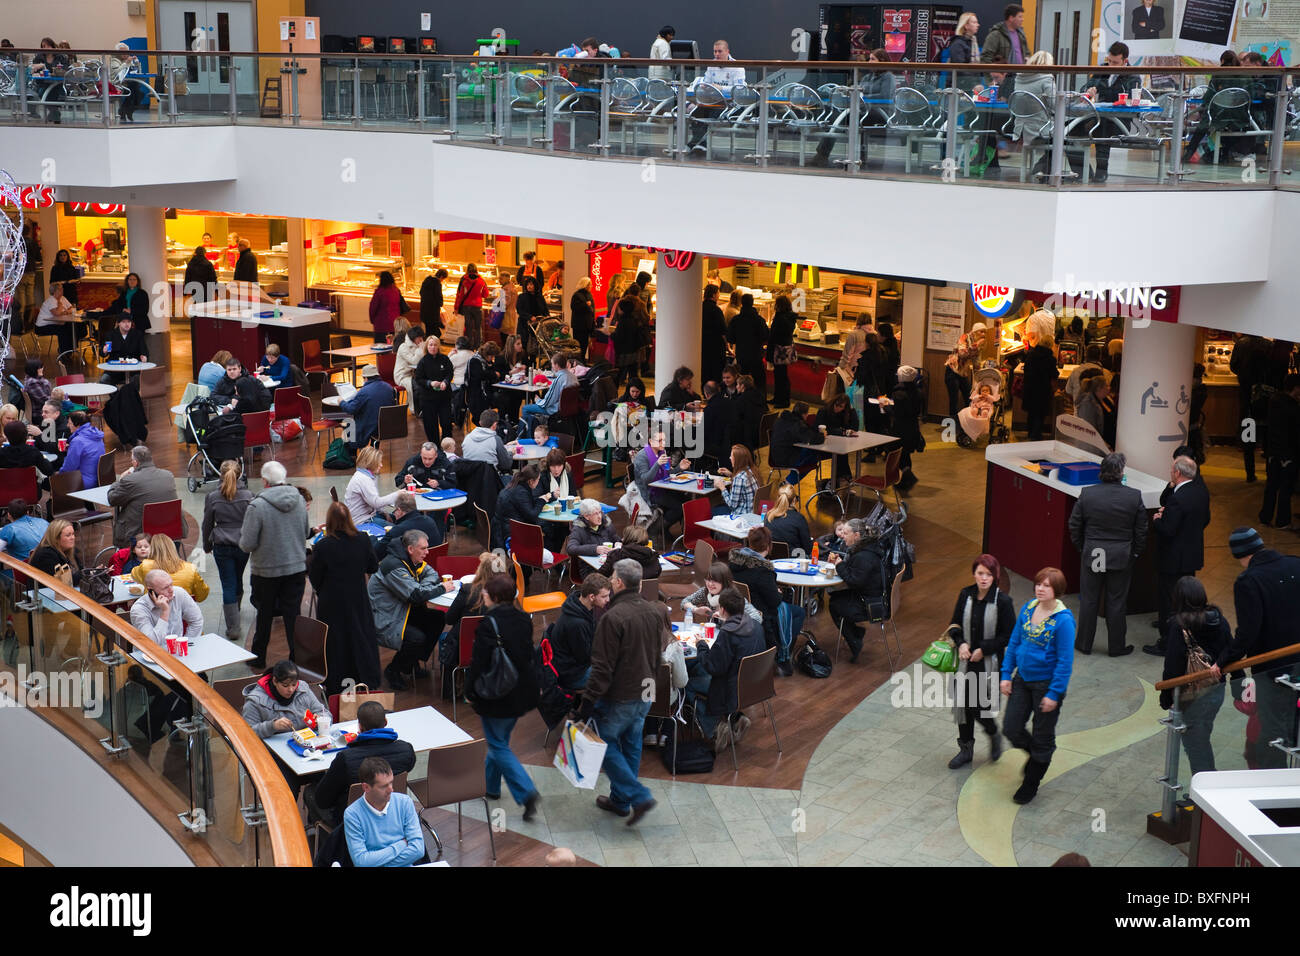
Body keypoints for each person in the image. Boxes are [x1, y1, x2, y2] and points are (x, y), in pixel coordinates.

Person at [576, 558, 669, 825]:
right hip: (647, 690)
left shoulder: (613, 617)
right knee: (631, 743)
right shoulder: (653, 611)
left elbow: (602, 668)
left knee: (603, 742)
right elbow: (657, 654)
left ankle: (638, 796)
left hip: (623, 694)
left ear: (618, 582)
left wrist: (588, 702)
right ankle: (620, 800)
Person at [1212, 528, 1300, 769]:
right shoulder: (1295, 564)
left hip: (1273, 670)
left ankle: (1277, 793)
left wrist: (1223, 660)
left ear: (1239, 555)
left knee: (1274, 732)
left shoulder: (1248, 580)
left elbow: (1248, 632)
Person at [466, 573, 541, 817]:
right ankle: (491, 787)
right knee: (500, 741)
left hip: (497, 694)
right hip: (521, 692)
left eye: (486, 594)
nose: (483, 596)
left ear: (495, 597)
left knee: (497, 744)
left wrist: (470, 692)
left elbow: (478, 663)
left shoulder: (489, 623)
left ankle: (526, 791)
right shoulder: (523, 619)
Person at [1000, 567, 1076, 804]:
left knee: (1043, 735)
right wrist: (1005, 674)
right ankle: (1039, 757)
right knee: (1011, 728)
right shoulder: (1028, 608)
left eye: (1047, 585)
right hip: (1022, 680)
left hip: (1047, 685)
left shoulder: (1063, 621)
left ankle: (1031, 783)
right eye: (1038, 584)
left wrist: (1054, 693)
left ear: (1057, 591)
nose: (1040, 589)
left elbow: (1065, 662)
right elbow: (1014, 642)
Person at [1068, 452, 1147, 656]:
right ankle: (1116, 646)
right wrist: (1135, 552)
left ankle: (1084, 644)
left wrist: (1082, 547)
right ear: (1121, 472)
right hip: (1120, 556)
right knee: (1116, 602)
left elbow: (1074, 524)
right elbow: (1141, 529)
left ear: (1101, 471)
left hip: (1093, 553)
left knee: (1089, 600)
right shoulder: (1134, 496)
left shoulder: (1087, 494)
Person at [238, 460, 311, 669]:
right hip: (296, 568)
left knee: (264, 616)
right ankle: (297, 660)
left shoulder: (257, 505)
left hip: (265, 572)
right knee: (293, 616)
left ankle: (259, 657)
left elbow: (247, 544)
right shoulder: (298, 500)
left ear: (264, 481)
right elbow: (306, 532)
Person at [946, 555, 1016, 769]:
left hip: (989, 663)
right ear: (974, 574)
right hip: (965, 660)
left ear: (995, 576)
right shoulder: (965, 594)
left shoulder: (1003, 601)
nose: (984, 578)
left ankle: (993, 732)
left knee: (979, 707)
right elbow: (954, 624)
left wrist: (983, 649)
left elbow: (1009, 636)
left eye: (988, 574)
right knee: (964, 707)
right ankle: (965, 750)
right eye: (980, 573)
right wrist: (961, 643)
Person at [1157, 576, 1229, 777]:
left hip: (1191, 695)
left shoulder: (1178, 625)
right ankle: (1206, 789)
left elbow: (1172, 666)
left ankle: (1205, 794)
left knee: (1195, 744)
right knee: (1201, 737)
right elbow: (1231, 650)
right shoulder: (1219, 619)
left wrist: (1166, 697)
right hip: (1216, 690)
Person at [309, 502, 382, 695]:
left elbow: (315, 576)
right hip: (357, 597)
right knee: (360, 637)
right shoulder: (363, 540)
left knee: (335, 642)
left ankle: (336, 682)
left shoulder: (323, 546)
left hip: (331, 601)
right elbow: (372, 567)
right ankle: (365, 678)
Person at [1144, 456, 1211, 656]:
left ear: (1178, 473)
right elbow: (1201, 519)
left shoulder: (1177, 498)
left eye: (1172, 470)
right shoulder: (1200, 493)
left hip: (1172, 560)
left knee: (1169, 602)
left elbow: (1168, 530)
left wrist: (1158, 519)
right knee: (1186, 600)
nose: (1171, 472)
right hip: (1190, 557)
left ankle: (1166, 643)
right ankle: (1186, 637)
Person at [309, 702, 415, 828]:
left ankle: (330, 843)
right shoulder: (406, 750)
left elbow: (322, 801)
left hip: (354, 821)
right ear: (385, 722)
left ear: (360, 727)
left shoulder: (346, 758)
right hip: (394, 814)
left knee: (310, 792)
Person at [369, 529, 450, 690]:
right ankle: (393, 670)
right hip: (386, 619)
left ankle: (411, 661)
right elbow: (415, 595)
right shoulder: (393, 566)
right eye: (423, 548)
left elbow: (431, 574)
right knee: (417, 638)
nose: (427, 552)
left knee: (438, 618)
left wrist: (422, 587)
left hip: (403, 611)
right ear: (411, 549)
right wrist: (441, 588)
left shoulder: (412, 559)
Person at [201, 459, 252, 639]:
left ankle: (233, 627)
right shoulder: (248, 496)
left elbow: (207, 523)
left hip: (221, 545)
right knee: (238, 579)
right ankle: (235, 610)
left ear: (220, 474)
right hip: (243, 544)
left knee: (228, 583)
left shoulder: (213, 497)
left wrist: (206, 545)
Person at [343, 756, 423, 867]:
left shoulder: (404, 802)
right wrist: (401, 844)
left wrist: (379, 863)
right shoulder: (352, 814)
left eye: (391, 782)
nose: (391, 789)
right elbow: (361, 862)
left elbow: (418, 850)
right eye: (384, 786)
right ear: (366, 787)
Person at [827, 518, 886, 663]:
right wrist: (840, 563)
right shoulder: (866, 549)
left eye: (846, 533)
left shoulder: (864, 556)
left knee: (835, 604)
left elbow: (854, 581)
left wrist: (839, 565)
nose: (843, 536)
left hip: (869, 604)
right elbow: (856, 574)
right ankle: (856, 633)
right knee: (835, 598)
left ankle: (854, 640)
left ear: (857, 535)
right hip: (868, 595)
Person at [1084, 43, 1140, 182]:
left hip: (1120, 120)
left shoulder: (1132, 76)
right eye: (1109, 61)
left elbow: (1133, 101)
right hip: (1097, 117)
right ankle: (1082, 171)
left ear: (1125, 61)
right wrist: (1089, 90)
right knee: (1069, 129)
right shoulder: (1103, 70)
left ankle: (1101, 171)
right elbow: (1086, 87)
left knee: (1104, 126)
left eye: (1115, 62)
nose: (1111, 65)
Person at [548, 573, 611, 691]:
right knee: (614, 673)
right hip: (573, 675)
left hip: (571, 665)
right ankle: (595, 707)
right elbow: (585, 657)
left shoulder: (580, 605)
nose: (608, 600)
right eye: (604, 596)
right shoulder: (577, 624)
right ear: (592, 597)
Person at [107, 445, 178, 548]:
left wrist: (120, 481)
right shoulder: (169, 475)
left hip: (140, 534)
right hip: (170, 530)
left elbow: (112, 499)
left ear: (135, 463)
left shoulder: (130, 480)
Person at [686, 39, 747, 153]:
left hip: (731, 105)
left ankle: (698, 143)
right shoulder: (711, 65)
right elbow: (706, 82)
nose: (717, 54)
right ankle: (698, 143)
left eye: (720, 51)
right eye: (715, 52)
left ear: (727, 51)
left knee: (713, 113)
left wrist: (721, 88)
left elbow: (739, 90)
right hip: (712, 101)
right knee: (696, 113)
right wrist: (705, 86)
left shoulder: (737, 67)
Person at [631, 429, 694, 533]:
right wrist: (657, 464)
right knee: (680, 508)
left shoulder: (661, 452)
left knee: (686, 501)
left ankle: (664, 529)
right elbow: (646, 480)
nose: (663, 443)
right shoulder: (642, 456)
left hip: (662, 488)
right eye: (659, 440)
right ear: (651, 441)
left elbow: (666, 474)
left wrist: (679, 468)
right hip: (649, 493)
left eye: (664, 440)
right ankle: (655, 530)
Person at [1260, 373, 1300, 529]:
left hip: (1273, 451)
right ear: (1296, 388)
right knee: (1285, 488)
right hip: (1288, 453)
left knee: (1271, 486)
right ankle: (1283, 521)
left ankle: (1265, 516)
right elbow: (1295, 433)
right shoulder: (1293, 407)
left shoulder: (1273, 401)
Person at [130, 568, 205, 645]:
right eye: (165, 588)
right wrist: (165, 612)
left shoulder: (179, 593)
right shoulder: (138, 609)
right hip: (150, 654)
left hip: (177, 651)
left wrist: (185, 643)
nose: (171, 590)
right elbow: (151, 643)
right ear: (151, 591)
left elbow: (197, 620)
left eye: (171, 585)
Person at [130, 533, 210, 601]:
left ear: (153, 549)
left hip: (155, 613)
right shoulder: (190, 568)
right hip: (182, 614)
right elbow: (202, 596)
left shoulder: (145, 566)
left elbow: (134, 574)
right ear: (173, 547)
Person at [681, 562, 764, 625]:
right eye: (708, 580)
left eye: (715, 581)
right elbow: (684, 602)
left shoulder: (734, 598)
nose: (710, 584)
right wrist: (696, 610)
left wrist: (729, 619)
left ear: (724, 582)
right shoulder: (706, 592)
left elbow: (757, 618)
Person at [496, 463, 553, 547]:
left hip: (502, 526)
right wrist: (541, 500)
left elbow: (525, 505)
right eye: (538, 480)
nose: (538, 482)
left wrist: (541, 499)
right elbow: (532, 515)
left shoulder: (515, 484)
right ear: (531, 481)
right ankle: (547, 554)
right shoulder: (520, 492)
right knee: (549, 527)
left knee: (546, 526)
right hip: (510, 533)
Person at [981, 4, 1029, 101]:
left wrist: (1027, 59)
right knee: (1002, 109)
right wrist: (990, 81)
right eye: (1020, 16)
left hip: (1019, 78)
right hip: (1003, 80)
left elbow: (1026, 52)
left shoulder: (1021, 34)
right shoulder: (996, 34)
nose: (1022, 19)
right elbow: (986, 58)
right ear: (1011, 18)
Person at [520, 352, 576, 435]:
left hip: (556, 409)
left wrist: (538, 400)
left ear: (556, 365)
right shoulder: (573, 377)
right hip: (569, 408)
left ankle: (530, 435)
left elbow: (548, 402)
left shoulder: (559, 379)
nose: (552, 366)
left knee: (525, 408)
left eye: (552, 364)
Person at [376, 491, 445, 558]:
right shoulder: (429, 520)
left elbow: (378, 552)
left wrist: (372, 539)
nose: (394, 513)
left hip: (414, 566)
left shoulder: (398, 530)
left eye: (395, 510)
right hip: (435, 561)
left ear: (399, 510)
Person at [344, 446, 400, 528]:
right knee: (396, 530)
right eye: (379, 462)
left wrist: (383, 512)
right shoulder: (363, 479)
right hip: (362, 522)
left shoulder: (363, 475)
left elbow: (372, 501)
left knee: (395, 518)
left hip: (365, 516)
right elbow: (376, 502)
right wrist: (398, 494)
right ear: (371, 463)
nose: (381, 465)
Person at [413, 334, 454, 445]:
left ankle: (447, 446)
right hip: (428, 399)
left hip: (444, 397)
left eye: (435, 345)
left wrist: (445, 382)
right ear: (427, 346)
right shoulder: (423, 362)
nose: (433, 347)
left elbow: (450, 373)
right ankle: (435, 446)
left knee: (446, 423)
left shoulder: (445, 359)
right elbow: (418, 379)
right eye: (431, 345)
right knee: (431, 425)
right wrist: (430, 383)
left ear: (438, 346)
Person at [769, 403, 824, 485]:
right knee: (814, 456)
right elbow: (813, 439)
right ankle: (788, 483)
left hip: (775, 455)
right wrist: (822, 435)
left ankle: (788, 483)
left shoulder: (782, 419)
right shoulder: (796, 424)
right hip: (785, 458)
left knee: (809, 454)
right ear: (804, 414)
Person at [1021, 320, 1058, 441]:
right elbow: (1054, 374)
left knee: (1031, 413)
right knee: (1040, 414)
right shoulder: (1050, 358)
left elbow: (1025, 369)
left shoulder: (1031, 354)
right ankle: (1036, 436)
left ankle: (1030, 433)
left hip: (1030, 388)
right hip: (1042, 390)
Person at [726, 293, 768, 393]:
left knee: (741, 381)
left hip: (742, 355)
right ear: (752, 303)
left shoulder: (736, 320)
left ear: (741, 303)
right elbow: (766, 336)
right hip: (756, 355)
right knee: (759, 381)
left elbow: (730, 338)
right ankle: (760, 403)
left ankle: (741, 401)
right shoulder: (759, 320)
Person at [816, 394, 859, 486]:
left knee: (842, 451)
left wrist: (852, 410)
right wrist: (843, 432)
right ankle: (844, 479)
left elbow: (854, 427)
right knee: (841, 452)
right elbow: (826, 429)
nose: (838, 408)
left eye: (841, 407)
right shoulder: (824, 411)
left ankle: (842, 480)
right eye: (837, 405)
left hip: (836, 444)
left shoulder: (843, 413)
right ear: (833, 403)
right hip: (822, 446)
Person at [593, 523, 661, 580]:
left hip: (620, 593)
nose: (622, 539)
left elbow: (600, 577)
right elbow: (656, 575)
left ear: (627, 538)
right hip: (648, 594)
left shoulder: (616, 555)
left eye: (624, 536)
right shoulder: (653, 557)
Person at [28, 519, 84, 585]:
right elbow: (66, 581)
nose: (73, 538)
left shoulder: (69, 549)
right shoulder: (46, 555)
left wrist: (94, 571)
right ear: (56, 538)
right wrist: (91, 573)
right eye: (68, 535)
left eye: (73, 534)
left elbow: (81, 571)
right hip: (45, 593)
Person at [99, 312, 149, 385]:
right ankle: (117, 396)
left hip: (133, 370)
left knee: (137, 380)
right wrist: (104, 351)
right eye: (123, 322)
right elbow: (103, 354)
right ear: (118, 323)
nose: (127, 324)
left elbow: (144, 351)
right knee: (104, 380)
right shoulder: (111, 335)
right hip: (115, 370)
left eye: (129, 322)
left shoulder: (137, 334)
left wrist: (144, 357)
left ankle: (129, 396)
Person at [765, 483, 813, 556]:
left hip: (772, 559)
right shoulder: (799, 518)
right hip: (795, 560)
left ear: (778, 498)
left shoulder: (768, 516)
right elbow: (807, 548)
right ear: (794, 500)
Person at [767, 295, 798, 409]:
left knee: (780, 377)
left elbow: (773, 335)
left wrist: (769, 351)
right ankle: (779, 398)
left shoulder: (779, 318)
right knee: (782, 375)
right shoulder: (790, 317)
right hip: (787, 349)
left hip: (779, 350)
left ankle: (782, 400)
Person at [713, 443, 758, 516]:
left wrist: (722, 488)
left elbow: (732, 505)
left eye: (731, 456)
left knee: (713, 510)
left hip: (741, 516)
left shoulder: (739, 478)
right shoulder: (752, 471)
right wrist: (731, 475)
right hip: (752, 511)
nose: (729, 458)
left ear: (737, 460)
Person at [34, 281, 78, 356]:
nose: (62, 290)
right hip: (42, 327)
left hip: (54, 323)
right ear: (56, 291)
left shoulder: (63, 298)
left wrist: (65, 311)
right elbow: (57, 313)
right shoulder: (51, 301)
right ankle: (64, 352)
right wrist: (61, 306)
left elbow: (72, 308)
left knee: (70, 327)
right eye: (60, 289)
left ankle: (70, 348)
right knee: (62, 330)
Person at [0, 498, 48, 565]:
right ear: (27, 512)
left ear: (9, 515)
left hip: (26, 571)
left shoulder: (9, 529)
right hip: (52, 566)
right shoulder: (44, 522)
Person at [454, 263, 489, 348]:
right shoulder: (481, 281)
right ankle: (478, 346)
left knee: (468, 327)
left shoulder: (464, 280)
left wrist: (456, 307)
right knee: (478, 327)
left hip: (467, 307)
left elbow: (460, 295)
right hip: (477, 306)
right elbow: (486, 294)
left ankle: (468, 345)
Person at [700, 285, 729, 385]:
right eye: (718, 293)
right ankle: (714, 392)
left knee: (704, 370)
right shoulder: (716, 310)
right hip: (715, 346)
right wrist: (727, 346)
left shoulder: (699, 307)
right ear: (713, 295)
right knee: (716, 372)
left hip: (702, 344)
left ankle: (705, 390)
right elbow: (723, 330)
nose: (719, 295)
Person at [392, 325, 425, 410]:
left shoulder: (418, 345)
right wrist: (420, 350)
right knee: (417, 386)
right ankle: (416, 409)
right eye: (419, 338)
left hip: (413, 375)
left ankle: (423, 407)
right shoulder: (403, 347)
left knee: (425, 383)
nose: (421, 340)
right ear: (414, 338)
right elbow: (414, 361)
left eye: (422, 338)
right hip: (402, 375)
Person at [569, 277, 595, 360]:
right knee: (578, 345)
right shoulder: (577, 295)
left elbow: (592, 308)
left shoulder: (589, 294)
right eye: (590, 285)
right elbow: (574, 307)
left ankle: (582, 360)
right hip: (579, 325)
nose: (591, 286)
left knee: (585, 345)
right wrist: (585, 305)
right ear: (585, 285)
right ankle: (578, 361)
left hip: (587, 325)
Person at [420, 268, 448, 341]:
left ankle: (428, 344)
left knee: (428, 330)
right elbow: (439, 297)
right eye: (443, 279)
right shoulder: (437, 283)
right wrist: (441, 304)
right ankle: (434, 344)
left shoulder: (426, 280)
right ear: (441, 276)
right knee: (435, 331)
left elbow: (421, 292)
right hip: (433, 312)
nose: (442, 281)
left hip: (424, 310)